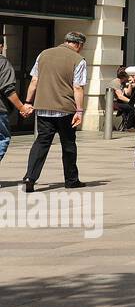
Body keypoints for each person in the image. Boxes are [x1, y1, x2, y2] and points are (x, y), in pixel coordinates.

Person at [22, 31, 89, 192]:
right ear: (78, 44)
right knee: (68, 144)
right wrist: (79, 111)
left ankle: (30, 177)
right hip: (65, 109)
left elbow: (35, 80)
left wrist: (28, 102)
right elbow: (78, 87)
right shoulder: (78, 60)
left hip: (43, 108)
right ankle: (71, 180)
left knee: (42, 142)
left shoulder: (43, 54)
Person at [0, 37, 35, 171]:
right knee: (2, 138)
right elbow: (7, 89)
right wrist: (22, 107)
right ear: (1, 46)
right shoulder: (3, 63)